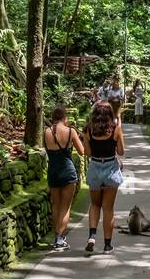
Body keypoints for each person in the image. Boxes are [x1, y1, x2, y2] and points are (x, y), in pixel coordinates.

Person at [82, 100, 125, 253]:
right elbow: (120, 152)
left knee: (94, 205)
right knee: (108, 209)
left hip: (95, 167)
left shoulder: (87, 130)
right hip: (110, 169)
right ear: (110, 114)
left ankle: (92, 236)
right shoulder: (115, 129)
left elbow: (87, 153)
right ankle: (107, 245)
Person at [44, 105, 84, 250]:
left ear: (52, 118)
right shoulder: (70, 131)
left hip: (53, 171)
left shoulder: (46, 132)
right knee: (66, 207)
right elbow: (82, 151)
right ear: (64, 118)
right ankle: (60, 239)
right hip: (68, 171)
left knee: (55, 204)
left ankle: (57, 235)